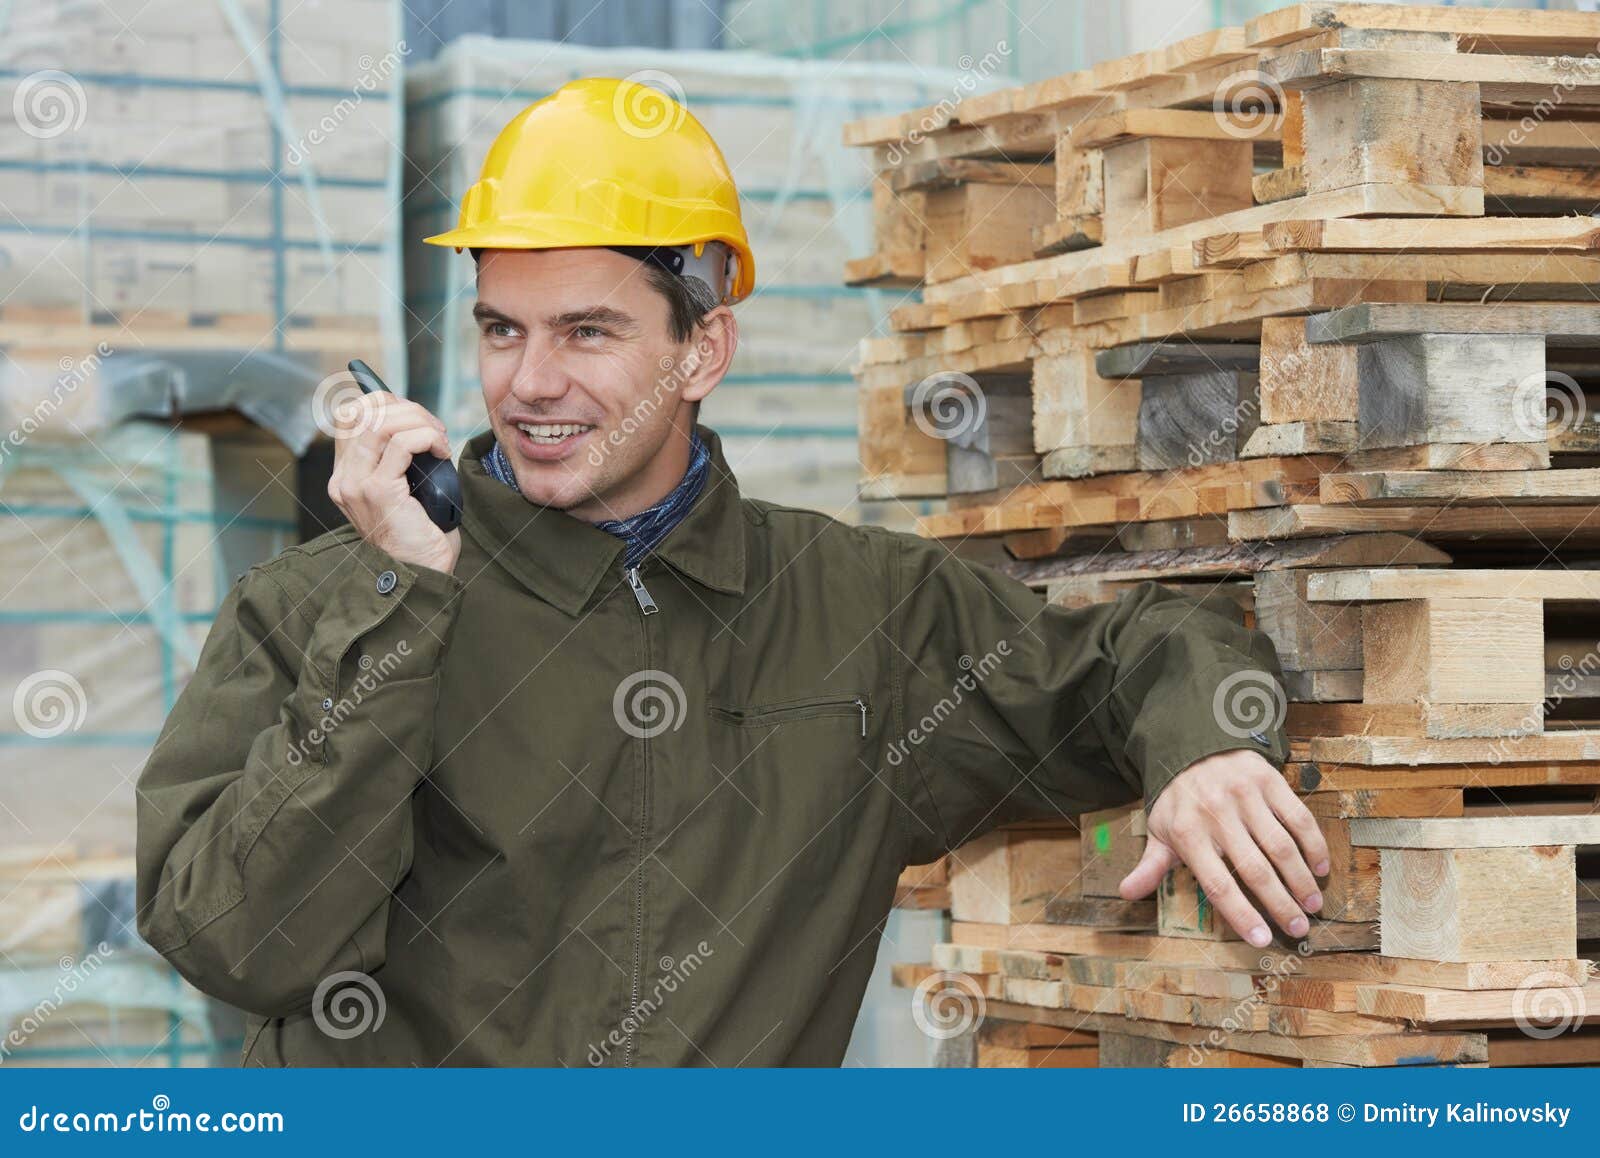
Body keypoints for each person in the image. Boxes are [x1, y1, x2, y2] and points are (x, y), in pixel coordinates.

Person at [136, 77, 1328, 1067]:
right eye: (503, 329)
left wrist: (1204, 746)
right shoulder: (314, 610)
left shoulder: (863, 613)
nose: (530, 383)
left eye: (587, 332)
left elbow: (1133, 650)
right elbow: (239, 944)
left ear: (702, 347)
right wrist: (400, 609)